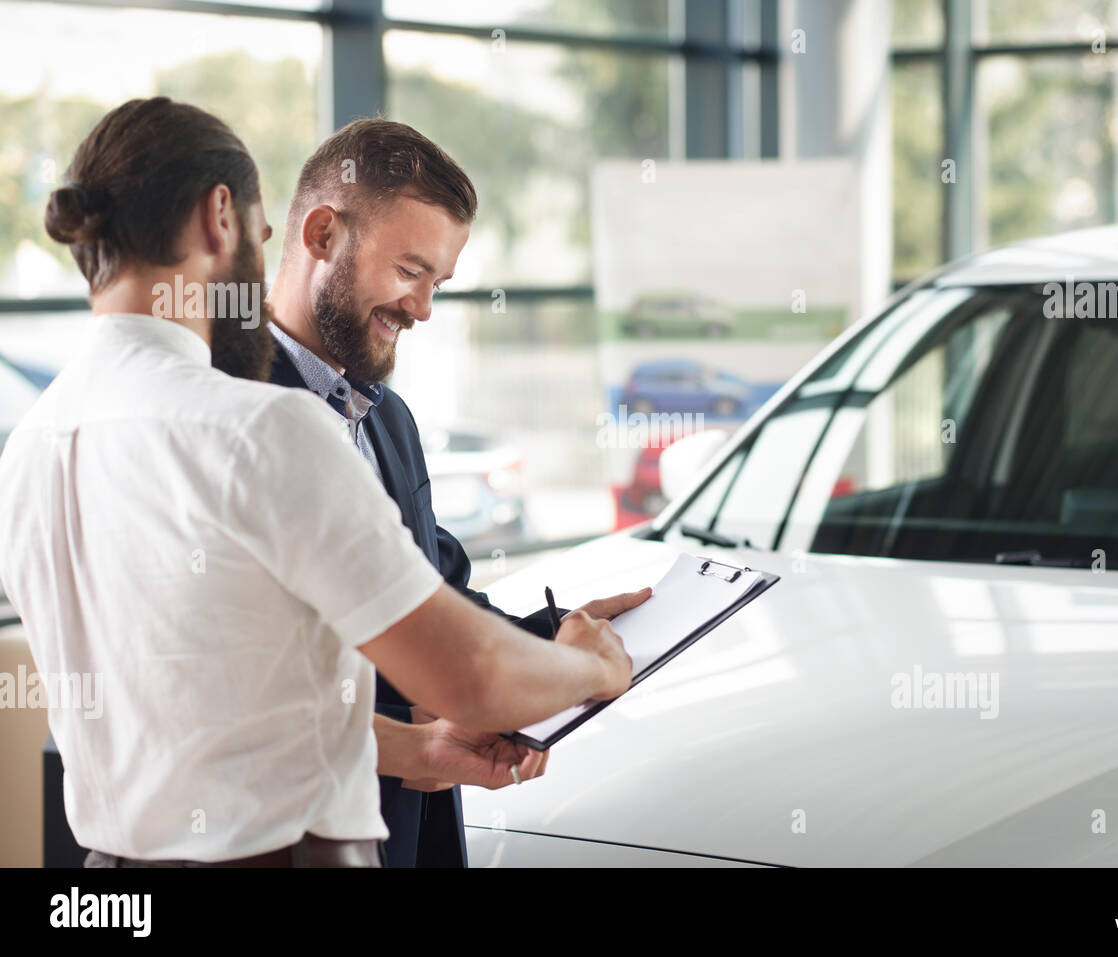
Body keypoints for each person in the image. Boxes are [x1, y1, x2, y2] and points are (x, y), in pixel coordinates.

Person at [0, 97, 645, 867]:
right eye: (259, 230)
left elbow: (210, 704)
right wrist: (595, 666)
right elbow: (469, 675)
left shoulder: (31, 443)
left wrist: (415, 749)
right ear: (218, 217)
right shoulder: (255, 424)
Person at [258, 118, 641, 867]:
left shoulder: (386, 419)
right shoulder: (230, 415)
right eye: (409, 271)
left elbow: (435, 592)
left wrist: (553, 631)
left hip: (403, 834)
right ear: (322, 235)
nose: (423, 308)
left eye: (437, 282)